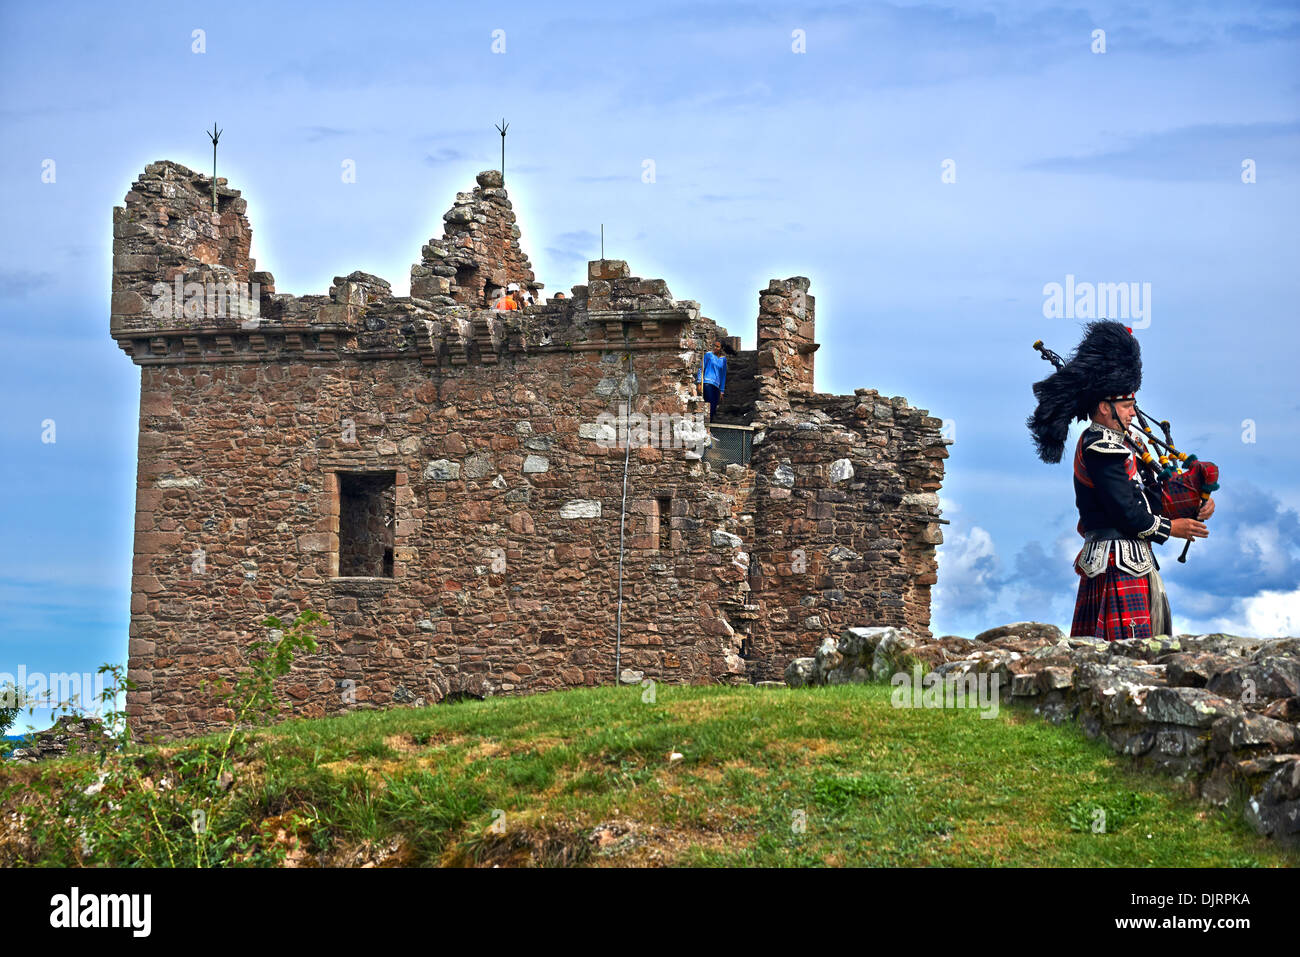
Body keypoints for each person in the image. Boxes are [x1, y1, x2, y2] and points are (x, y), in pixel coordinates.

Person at [1027, 321, 1214, 641]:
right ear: (1104, 406)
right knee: (1119, 658)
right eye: (1126, 406)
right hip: (1114, 563)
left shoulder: (1123, 445)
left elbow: (1149, 500)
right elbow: (1124, 510)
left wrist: (1194, 506)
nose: (1132, 413)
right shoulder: (1099, 446)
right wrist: (1173, 529)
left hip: (1130, 560)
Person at [697, 339, 727, 423]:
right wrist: (699, 382)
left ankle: (709, 427)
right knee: (709, 404)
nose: (715, 348)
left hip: (716, 386)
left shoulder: (723, 359)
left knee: (713, 407)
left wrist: (722, 390)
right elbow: (701, 368)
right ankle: (705, 426)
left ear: (721, 348)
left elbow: (723, 375)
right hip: (707, 384)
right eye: (714, 346)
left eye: (717, 346)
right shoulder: (708, 355)